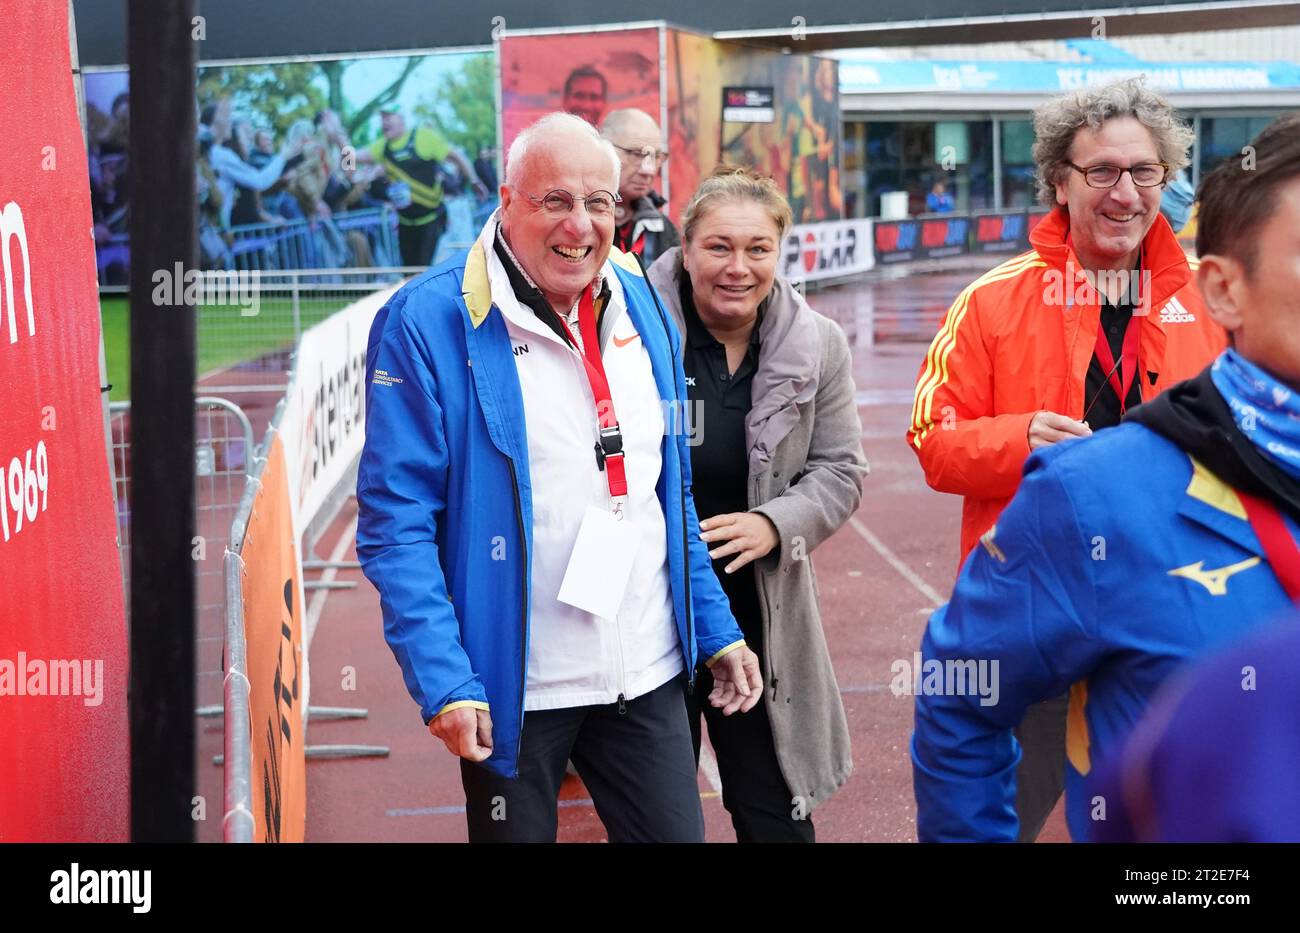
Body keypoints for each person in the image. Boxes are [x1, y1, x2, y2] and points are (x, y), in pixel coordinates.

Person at [356, 112, 763, 844]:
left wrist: (715, 628)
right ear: (506, 200)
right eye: (555, 201)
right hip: (515, 685)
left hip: (644, 670)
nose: (580, 225)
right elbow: (395, 526)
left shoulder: (640, 296)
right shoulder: (427, 320)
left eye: (599, 202)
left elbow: (664, 494)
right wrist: (444, 676)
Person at [911, 113, 1300, 842]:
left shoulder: (1196, 292)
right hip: (1041, 591)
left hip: (1168, 597)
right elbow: (934, 437)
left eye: (1145, 172)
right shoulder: (992, 300)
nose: (1125, 192)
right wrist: (1017, 437)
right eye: (1102, 172)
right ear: (1059, 181)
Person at [647, 165, 868, 842]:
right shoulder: (629, 327)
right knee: (660, 822)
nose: (737, 266)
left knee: (775, 816)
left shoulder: (818, 342)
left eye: (757, 249)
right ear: (685, 250)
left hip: (758, 613)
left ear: (780, 252)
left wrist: (774, 523)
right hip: (651, 611)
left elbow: (842, 469)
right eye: (718, 247)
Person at [355, 108, 487, 267]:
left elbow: (455, 156)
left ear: (402, 118)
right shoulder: (382, 147)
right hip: (406, 223)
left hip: (432, 220)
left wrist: (473, 180)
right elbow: (353, 157)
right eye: (382, 118)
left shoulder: (423, 137)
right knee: (410, 274)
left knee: (426, 272)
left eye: (389, 116)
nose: (385, 122)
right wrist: (342, 146)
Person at [600, 108, 680, 265]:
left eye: (657, 156)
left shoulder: (663, 230)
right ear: (604, 149)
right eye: (636, 154)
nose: (649, 170)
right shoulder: (580, 221)